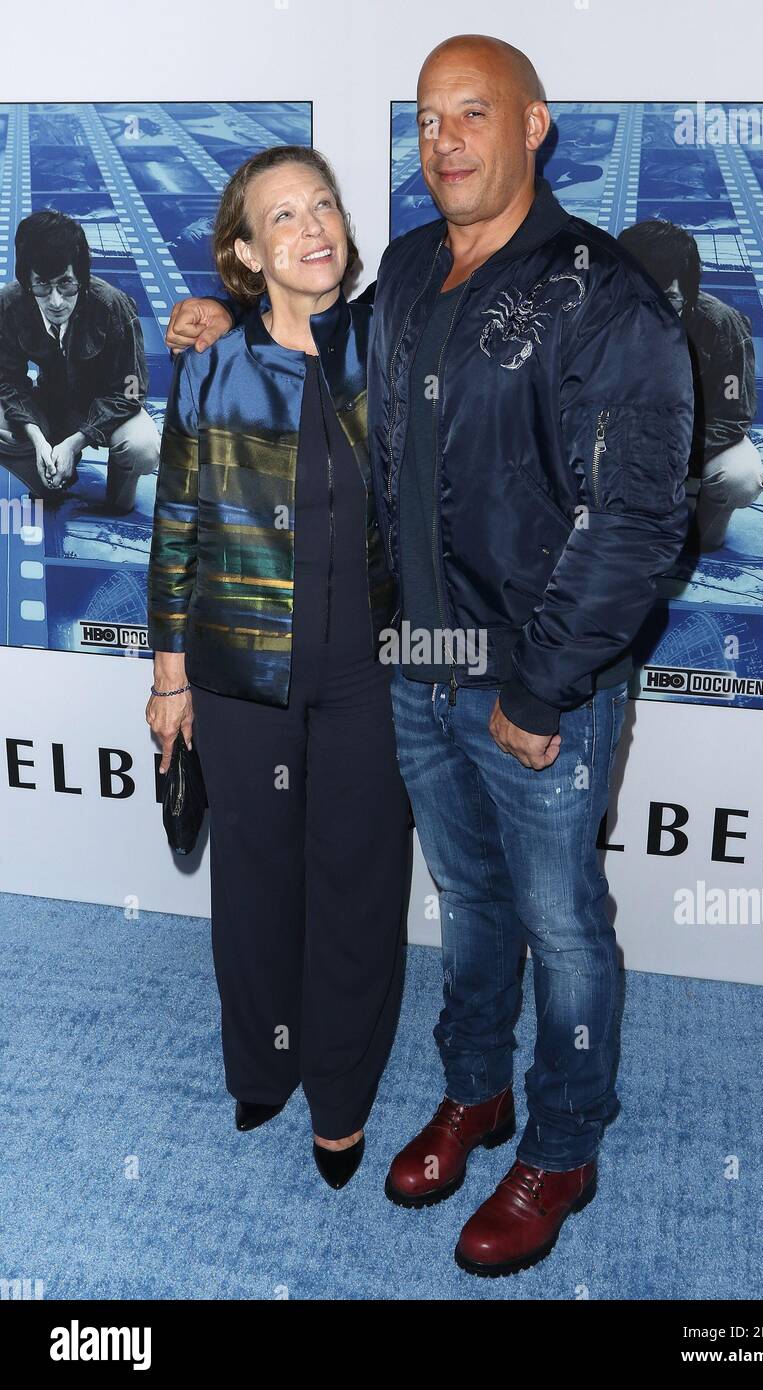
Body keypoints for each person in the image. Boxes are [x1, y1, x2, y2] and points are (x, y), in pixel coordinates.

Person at [164, 34, 694, 1276]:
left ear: (534, 126)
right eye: (425, 120)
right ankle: (476, 1093)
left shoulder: (603, 294)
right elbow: (309, 354)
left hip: (536, 683)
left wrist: (541, 684)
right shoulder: (404, 270)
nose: (444, 140)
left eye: (472, 114)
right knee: (467, 910)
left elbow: (636, 522)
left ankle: (561, 1147)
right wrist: (219, 322)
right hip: (414, 666)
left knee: (563, 927)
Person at [146, 145, 411, 1190]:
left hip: (369, 676)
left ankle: (339, 1098)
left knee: (359, 883)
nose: (313, 226)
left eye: (325, 206)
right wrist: (169, 681)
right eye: (283, 216)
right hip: (236, 675)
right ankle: (263, 1060)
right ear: (247, 254)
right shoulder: (209, 368)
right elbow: (175, 532)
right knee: (254, 884)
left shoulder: (384, 342)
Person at [618, 218, 763, 551]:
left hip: (689, 440)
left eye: (667, 298)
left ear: (687, 290)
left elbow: (733, 418)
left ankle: (698, 523)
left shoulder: (722, 326)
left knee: (740, 477)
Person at [0, 210, 158, 514]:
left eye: (66, 284)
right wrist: (37, 440)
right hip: (48, 404)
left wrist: (76, 443)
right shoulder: (9, 306)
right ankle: (49, 474)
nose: (56, 301)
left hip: (107, 408)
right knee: (44, 479)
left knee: (143, 446)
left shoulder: (113, 307)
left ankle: (118, 491)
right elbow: (7, 381)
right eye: (42, 285)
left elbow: (132, 392)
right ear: (27, 280)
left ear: (81, 279)